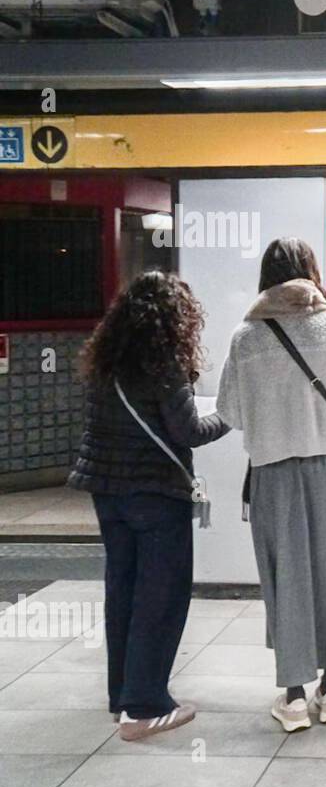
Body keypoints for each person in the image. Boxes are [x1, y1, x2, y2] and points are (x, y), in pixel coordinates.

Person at [216, 237, 326, 732]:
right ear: (310, 271)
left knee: (285, 578)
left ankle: (292, 697)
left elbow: (230, 412)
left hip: (272, 472)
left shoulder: (246, 336)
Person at [69, 271, 229, 741]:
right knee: (160, 596)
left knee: (123, 590)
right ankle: (144, 707)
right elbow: (189, 431)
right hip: (155, 495)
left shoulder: (106, 361)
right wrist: (228, 415)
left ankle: (122, 691)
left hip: (108, 492)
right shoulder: (164, 362)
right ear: (175, 319)